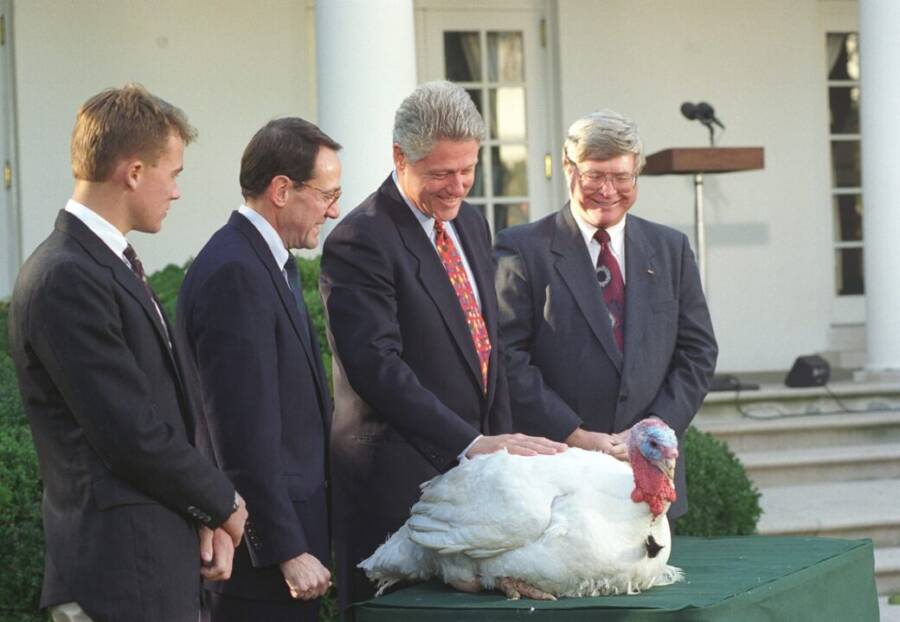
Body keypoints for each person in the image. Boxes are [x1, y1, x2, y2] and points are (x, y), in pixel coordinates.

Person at [320, 80, 566, 617]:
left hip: (476, 481)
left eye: (467, 170)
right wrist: (471, 441)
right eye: (440, 174)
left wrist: (501, 455)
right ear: (398, 157)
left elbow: (488, 351)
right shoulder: (360, 239)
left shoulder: (471, 224)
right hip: (394, 486)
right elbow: (375, 367)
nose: (457, 187)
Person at [6, 84, 247, 622]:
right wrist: (223, 503)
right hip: (116, 576)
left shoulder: (106, 265)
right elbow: (129, 431)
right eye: (174, 172)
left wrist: (204, 517)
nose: (177, 191)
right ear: (134, 172)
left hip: (151, 568)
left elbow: (160, 415)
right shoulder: (65, 276)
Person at [494, 109, 718, 522]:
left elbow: (698, 353)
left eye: (621, 177)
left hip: (649, 475)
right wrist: (576, 435)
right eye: (594, 175)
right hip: (558, 473)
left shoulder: (671, 249)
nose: (608, 190)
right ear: (568, 168)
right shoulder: (523, 249)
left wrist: (651, 430)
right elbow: (508, 358)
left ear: (637, 175)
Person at [177, 117, 340, 621]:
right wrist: (285, 548)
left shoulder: (266, 263)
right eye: (327, 194)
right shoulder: (235, 273)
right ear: (282, 190)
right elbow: (240, 433)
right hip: (260, 572)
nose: (334, 210)